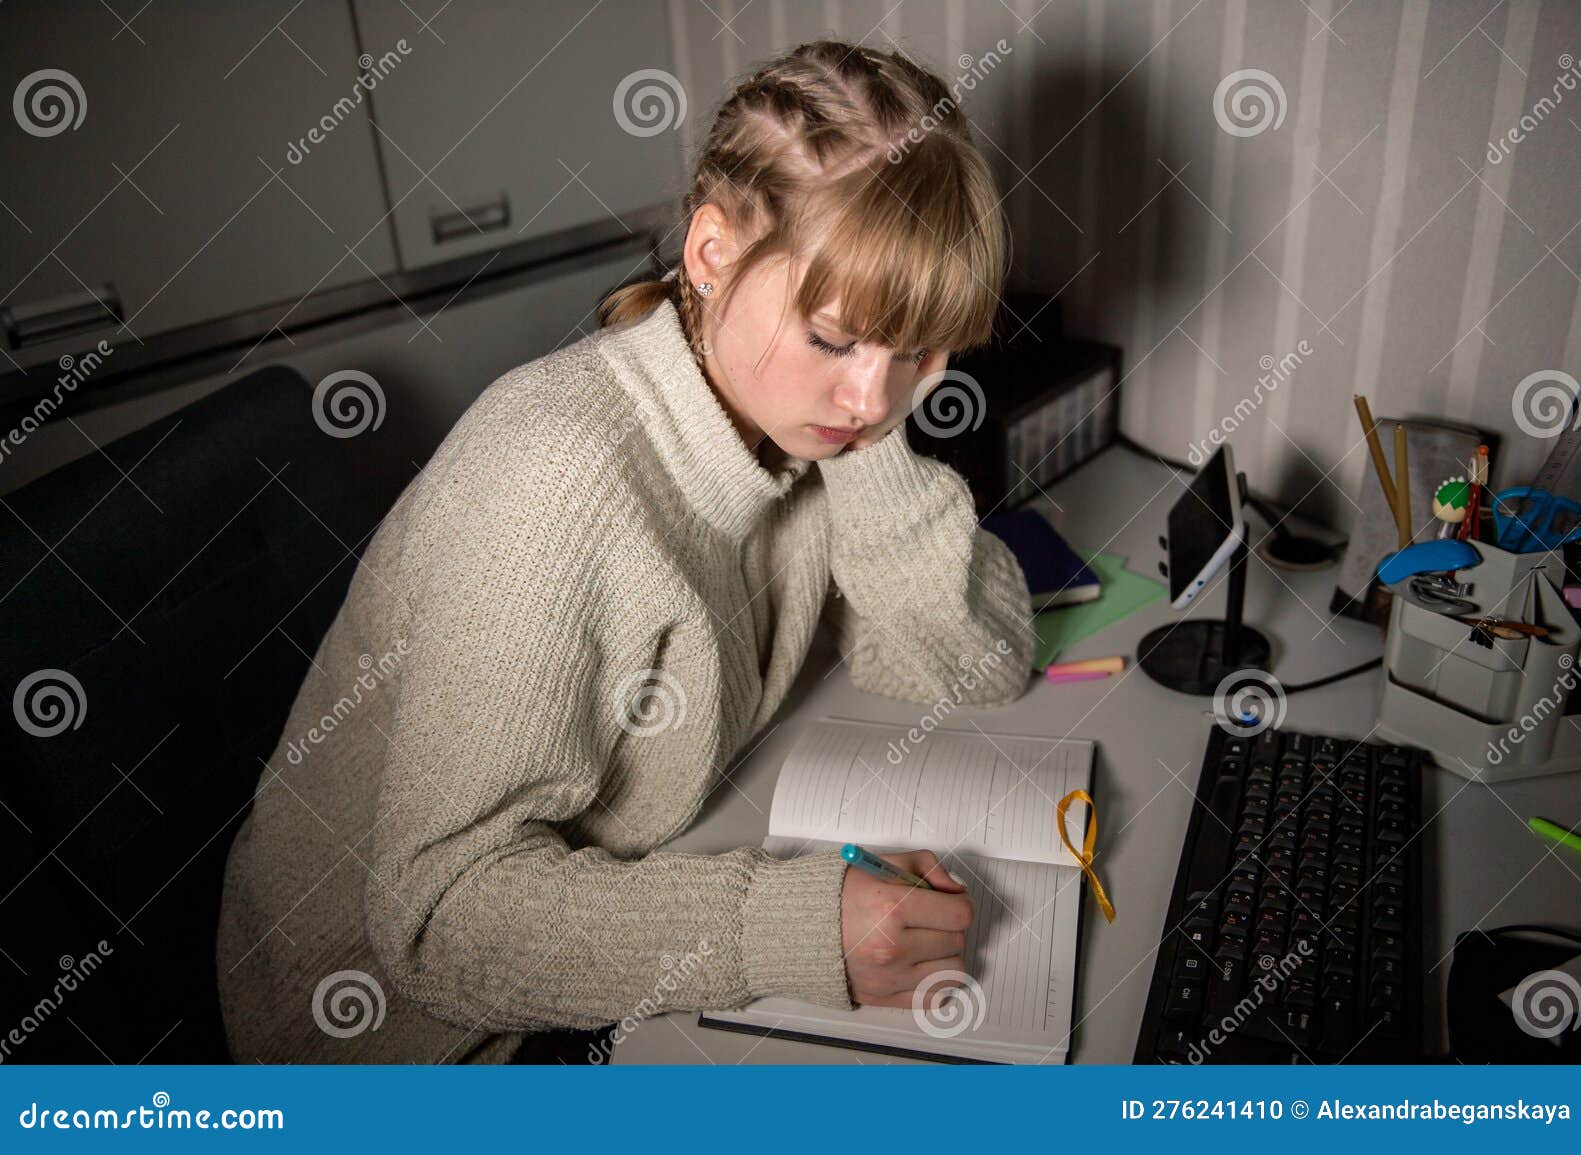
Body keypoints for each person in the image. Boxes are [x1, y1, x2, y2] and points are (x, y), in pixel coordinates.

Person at [215, 38, 1034, 1064]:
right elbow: (435, 922)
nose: (876, 396)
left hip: (618, 887)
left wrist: (867, 435)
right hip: (407, 1038)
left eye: (917, 347)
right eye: (833, 339)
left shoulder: (802, 421)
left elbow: (965, 664)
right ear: (710, 256)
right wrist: (793, 926)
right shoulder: (553, 482)